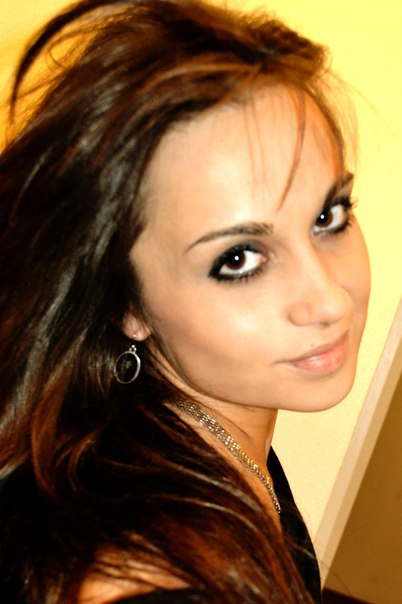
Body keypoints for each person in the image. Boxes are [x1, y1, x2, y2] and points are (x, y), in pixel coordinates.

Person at [0, 0, 370, 602]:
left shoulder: (202, 439)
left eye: (328, 217)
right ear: (126, 304)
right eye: (239, 259)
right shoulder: (144, 574)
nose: (328, 300)